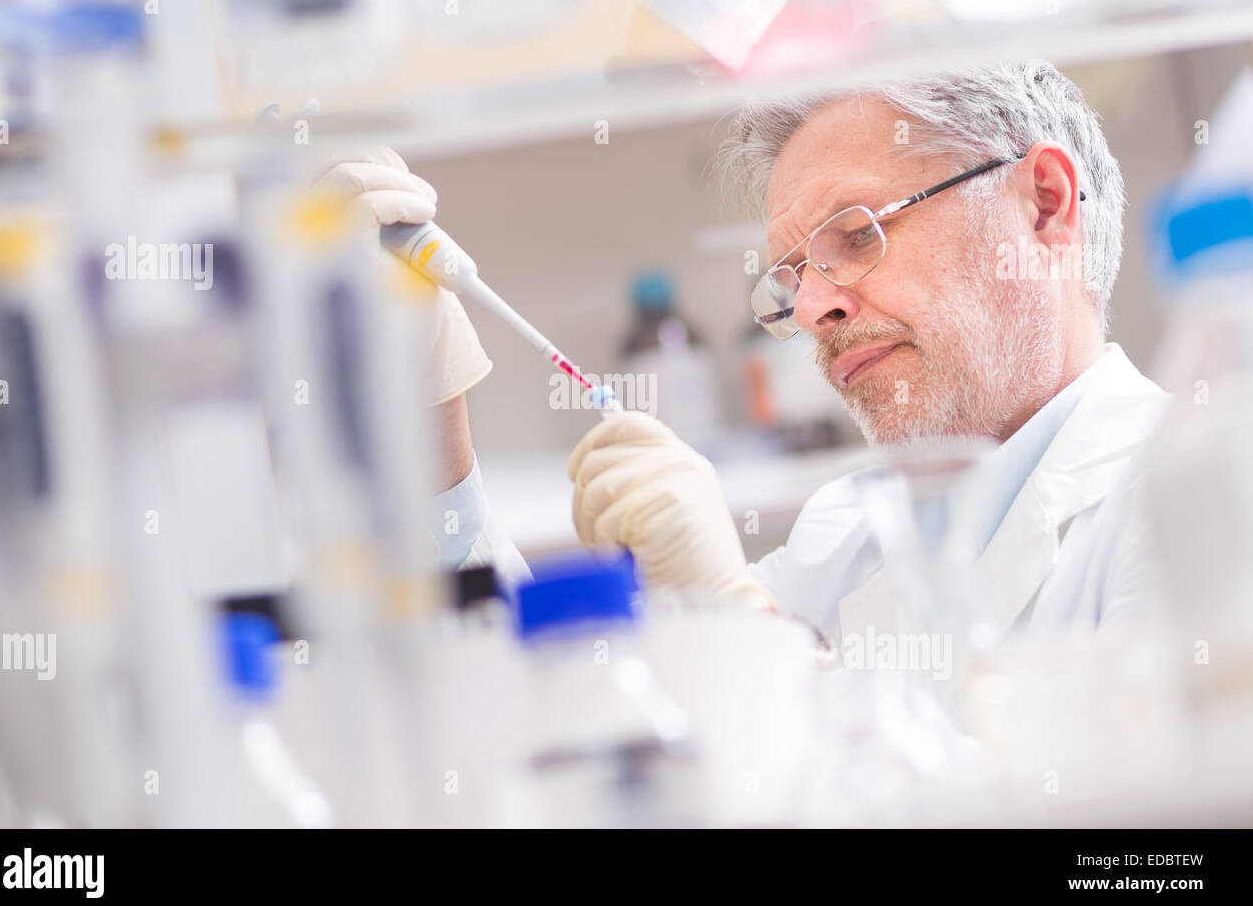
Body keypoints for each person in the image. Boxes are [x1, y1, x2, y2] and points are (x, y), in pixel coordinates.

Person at [321, 61, 1171, 644]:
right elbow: (548, 710)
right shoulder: (846, 541)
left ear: (1047, 205)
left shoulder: (1191, 499)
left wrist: (734, 621)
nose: (811, 307)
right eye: (791, 277)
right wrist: (422, 398)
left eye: (857, 232)